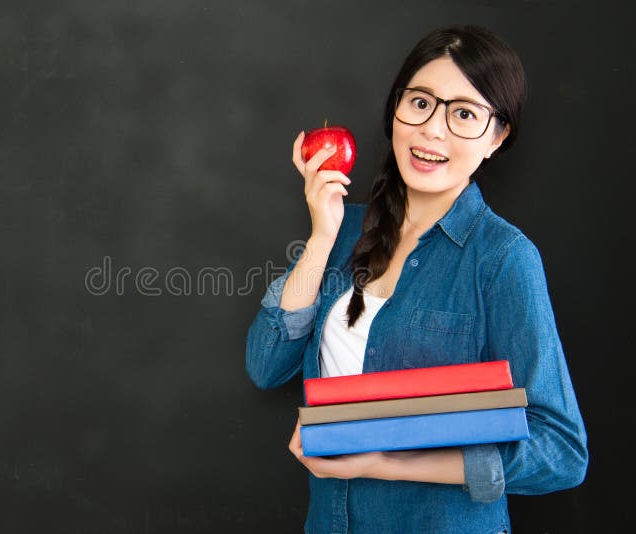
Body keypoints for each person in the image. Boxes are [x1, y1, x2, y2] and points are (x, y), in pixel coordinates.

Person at [245, 25, 588, 534]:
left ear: (498, 137)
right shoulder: (342, 233)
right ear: (396, 111)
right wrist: (321, 237)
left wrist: (381, 459)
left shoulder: (503, 259)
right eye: (421, 102)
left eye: (464, 114)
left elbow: (560, 450)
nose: (433, 130)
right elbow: (265, 364)